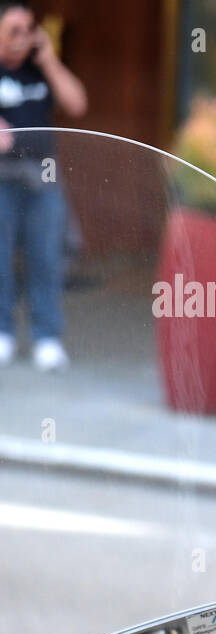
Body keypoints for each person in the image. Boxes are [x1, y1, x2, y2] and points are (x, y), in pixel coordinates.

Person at [0, 1, 86, 370]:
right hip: (2, 178)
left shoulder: (40, 71)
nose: (22, 38)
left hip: (43, 178)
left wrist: (49, 59)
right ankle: (2, 333)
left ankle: (46, 337)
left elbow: (77, 103)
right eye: (13, 30)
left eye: (27, 29)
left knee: (46, 257)